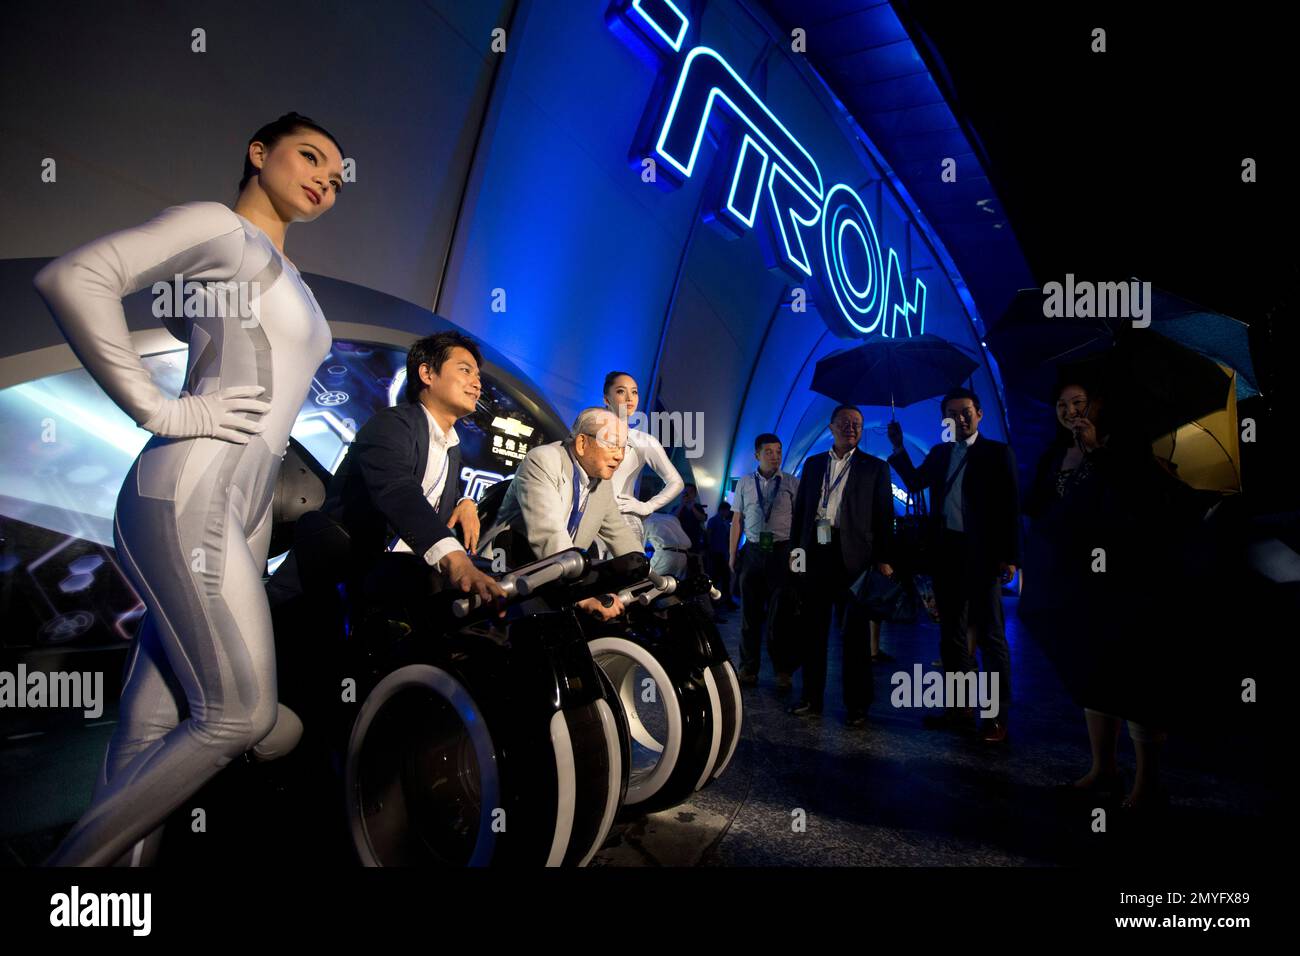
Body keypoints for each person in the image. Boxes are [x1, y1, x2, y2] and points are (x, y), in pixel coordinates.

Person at [34, 112, 345, 865]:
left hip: (245, 509)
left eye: (336, 179)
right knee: (240, 715)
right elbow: (74, 278)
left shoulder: (277, 272)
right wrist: (159, 406)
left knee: (151, 725)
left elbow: (191, 313)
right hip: (188, 492)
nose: (325, 181)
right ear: (258, 152)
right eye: (309, 158)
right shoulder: (217, 224)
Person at [1021, 381, 1182, 809]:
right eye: (1061, 404)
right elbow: (1036, 504)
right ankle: (1103, 766)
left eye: (1077, 402)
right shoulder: (1055, 453)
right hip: (1076, 579)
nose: (1069, 410)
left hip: (1123, 578)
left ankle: (1147, 784)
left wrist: (1096, 451)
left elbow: (1141, 499)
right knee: (1091, 671)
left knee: (1133, 676)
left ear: (1097, 403)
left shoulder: (1124, 447)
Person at [318, 331, 505, 613]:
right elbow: (399, 492)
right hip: (337, 584)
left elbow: (440, 495)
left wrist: (464, 502)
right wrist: (455, 560)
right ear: (427, 374)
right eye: (465, 370)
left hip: (400, 584)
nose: (477, 384)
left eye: (478, 376)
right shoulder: (391, 425)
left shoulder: (451, 449)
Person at [887, 388, 1020, 743]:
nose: (960, 418)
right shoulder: (940, 453)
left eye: (966, 412)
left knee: (991, 637)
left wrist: (1010, 557)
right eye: (952, 413)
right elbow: (915, 483)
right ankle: (960, 710)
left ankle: (996, 718)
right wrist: (898, 447)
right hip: (947, 555)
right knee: (952, 635)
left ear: (979, 414)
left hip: (983, 555)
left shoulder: (997, 453)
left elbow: (1010, 507)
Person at [481, 407, 642, 622]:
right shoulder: (543, 460)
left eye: (624, 447)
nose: (620, 455)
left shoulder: (602, 484)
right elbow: (548, 533)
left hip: (554, 574)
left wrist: (646, 579)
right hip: (507, 568)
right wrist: (582, 594)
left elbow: (622, 537)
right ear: (582, 443)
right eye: (612, 444)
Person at [789, 406, 894, 726]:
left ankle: (858, 707)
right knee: (813, 632)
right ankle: (811, 698)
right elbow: (802, 512)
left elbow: (884, 516)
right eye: (846, 423)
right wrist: (796, 556)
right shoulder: (813, 464)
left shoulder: (874, 468)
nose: (852, 428)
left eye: (858, 424)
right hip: (817, 553)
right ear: (831, 426)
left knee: (856, 638)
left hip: (854, 560)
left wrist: (884, 559)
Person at [729, 433, 798, 688]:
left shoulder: (791, 482)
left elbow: (801, 520)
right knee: (750, 614)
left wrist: (798, 555)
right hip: (754, 550)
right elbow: (737, 521)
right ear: (756, 455)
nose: (775, 456)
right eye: (769, 451)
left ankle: (783, 670)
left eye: (778, 451)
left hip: (782, 552)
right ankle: (748, 668)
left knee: (781, 615)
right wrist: (732, 554)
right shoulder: (745, 483)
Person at [602, 371, 684, 544]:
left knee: (625, 569)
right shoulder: (589, 436)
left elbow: (676, 482)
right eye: (621, 391)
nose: (629, 398)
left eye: (634, 392)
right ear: (606, 399)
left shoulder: (644, 441)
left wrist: (647, 506)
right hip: (586, 517)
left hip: (623, 521)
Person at [705, 501, 737, 611]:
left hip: (723, 553)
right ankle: (715, 603)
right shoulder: (714, 521)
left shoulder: (725, 522)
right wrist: (710, 550)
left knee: (725, 579)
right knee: (716, 578)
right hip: (716, 553)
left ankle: (725, 602)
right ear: (723, 510)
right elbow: (709, 535)